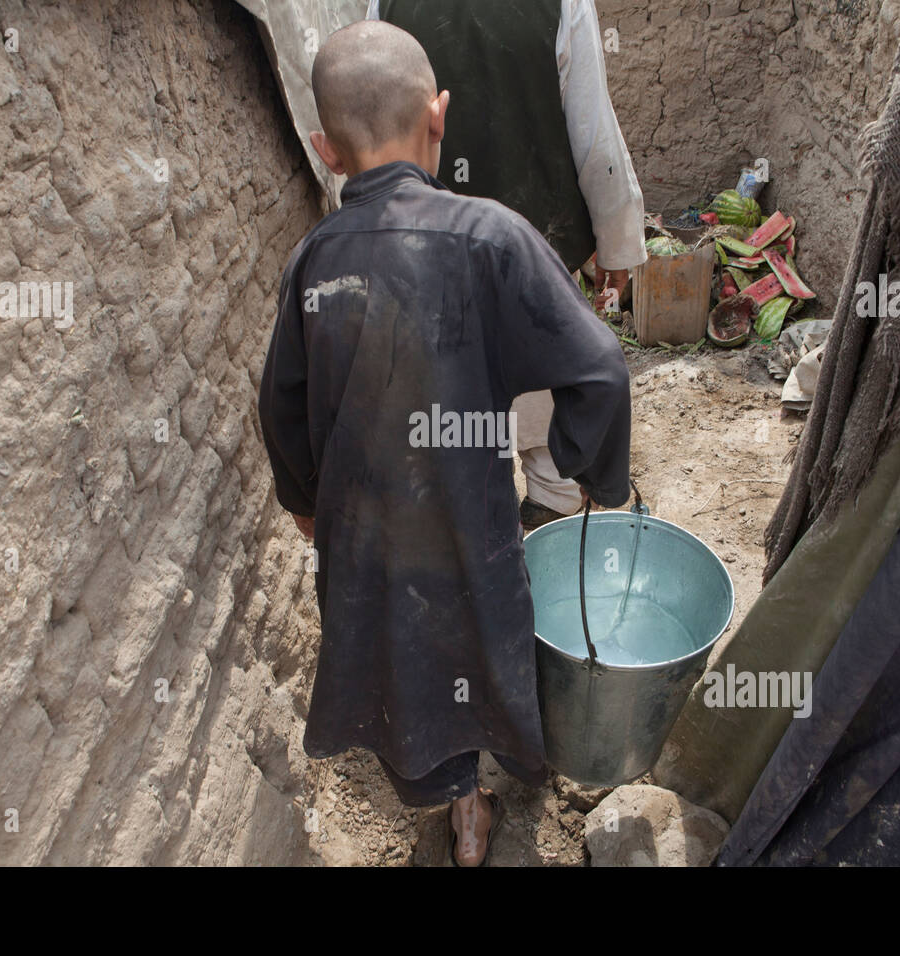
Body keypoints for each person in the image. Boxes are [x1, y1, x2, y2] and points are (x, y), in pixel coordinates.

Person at [257, 20, 632, 866]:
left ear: (323, 147)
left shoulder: (313, 262)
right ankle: (478, 815)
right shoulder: (490, 236)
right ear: (440, 115)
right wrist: (582, 466)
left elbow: (278, 409)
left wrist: (310, 508)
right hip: (473, 525)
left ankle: (453, 804)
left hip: (369, 543)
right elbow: (601, 369)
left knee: (404, 665)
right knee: (480, 648)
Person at [370, 0, 646, 530]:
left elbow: (368, 118)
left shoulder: (385, 5)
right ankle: (548, 519)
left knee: (458, 424)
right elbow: (591, 130)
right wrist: (617, 244)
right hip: (536, 252)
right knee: (546, 420)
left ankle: (480, 537)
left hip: (430, 257)